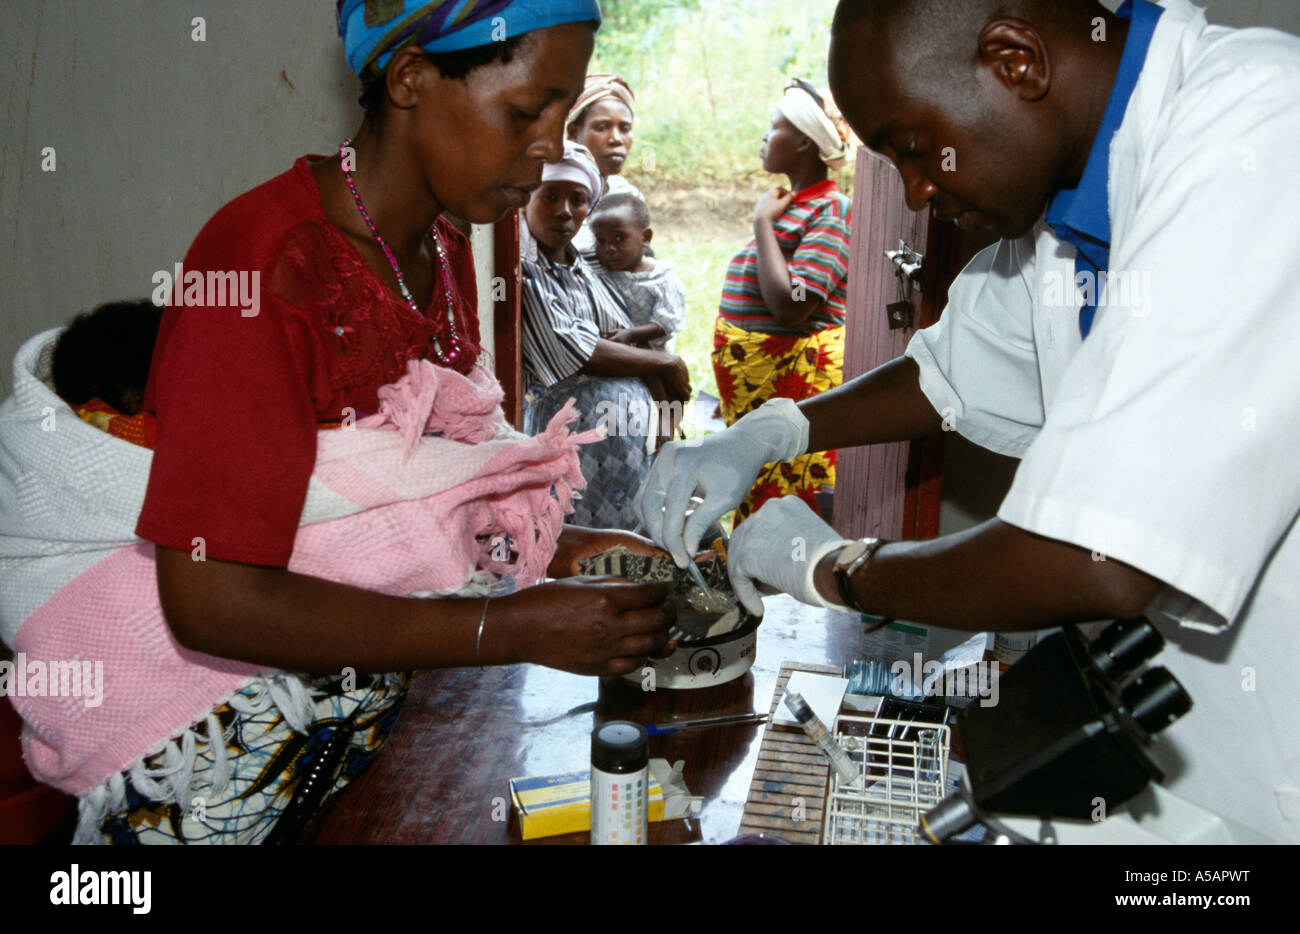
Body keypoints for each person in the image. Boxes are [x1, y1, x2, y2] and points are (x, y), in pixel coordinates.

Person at [0, 0, 679, 844]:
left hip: (361, 727)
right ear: (410, 79)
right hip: (218, 762)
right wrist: (506, 628)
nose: (550, 150)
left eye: (562, 114)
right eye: (526, 112)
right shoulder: (261, 263)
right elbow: (210, 598)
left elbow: (412, 500)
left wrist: (578, 549)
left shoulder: (437, 248)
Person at [638, 0, 1300, 842]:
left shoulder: (1262, 133)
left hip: (1276, 765)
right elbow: (949, 372)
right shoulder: (1069, 206)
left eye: (914, 149)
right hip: (1173, 755)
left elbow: (1099, 560)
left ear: (1015, 60)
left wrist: (838, 567)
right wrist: (775, 431)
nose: (918, 192)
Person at [521, 141, 691, 530]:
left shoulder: (581, 266)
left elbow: (623, 338)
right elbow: (576, 349)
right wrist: (667, 362)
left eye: (578, 200)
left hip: (622, 448)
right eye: (550, 196)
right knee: (582, 549)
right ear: (526, 199)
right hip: (579, 448)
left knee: (625, 547)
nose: (565, 211)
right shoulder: (526, 272)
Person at [712, 79, 853, 525]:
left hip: (794, 381)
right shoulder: (794, 203)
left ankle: (784, 586)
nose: (764, 137)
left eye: (774, 128)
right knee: (759, 491)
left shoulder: (833, 209)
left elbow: (792, 304)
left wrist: (761, 224)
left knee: (788, 497)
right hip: (760, 389)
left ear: (805, 142)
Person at [589, 191, 688, 445]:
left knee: (665, 400)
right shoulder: (598, 271)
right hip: (615, 354)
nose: (609, 249)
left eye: (619, 239)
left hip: (652, 353)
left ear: (646, 238)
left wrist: (632, 334)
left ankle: (667, 447)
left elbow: (667, 322)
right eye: (600, 241)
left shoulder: (660, 278)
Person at [567, 73, 642, 253]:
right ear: (574, 132)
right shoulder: (555, 197)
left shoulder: (627, 196)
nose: (616, 139)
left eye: (625, 128)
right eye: (602, 127)